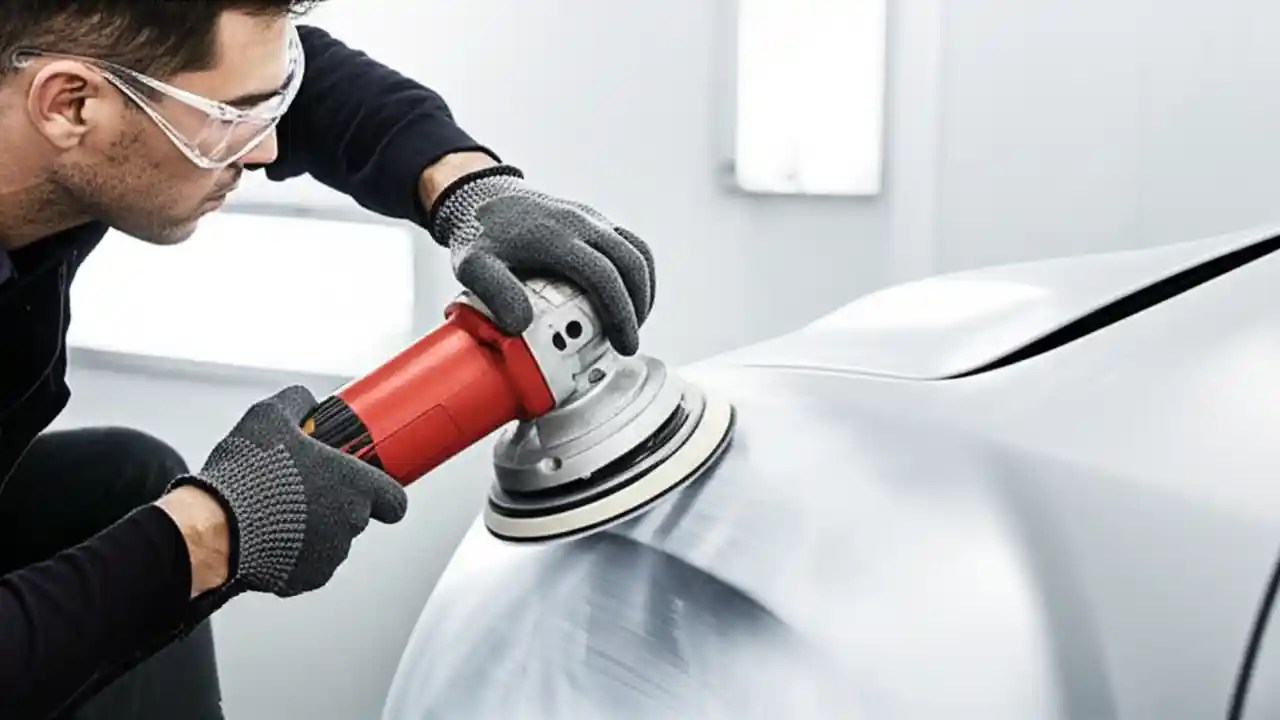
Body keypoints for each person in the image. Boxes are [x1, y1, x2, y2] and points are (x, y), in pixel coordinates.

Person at [0, 1, 655, 718]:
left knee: (124, 478)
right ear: (69, 105)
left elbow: (310, 85)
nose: (266, 149)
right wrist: (215, 531)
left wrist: (470, 188)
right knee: (168, 535)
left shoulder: (80, 110)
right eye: (233, 119)